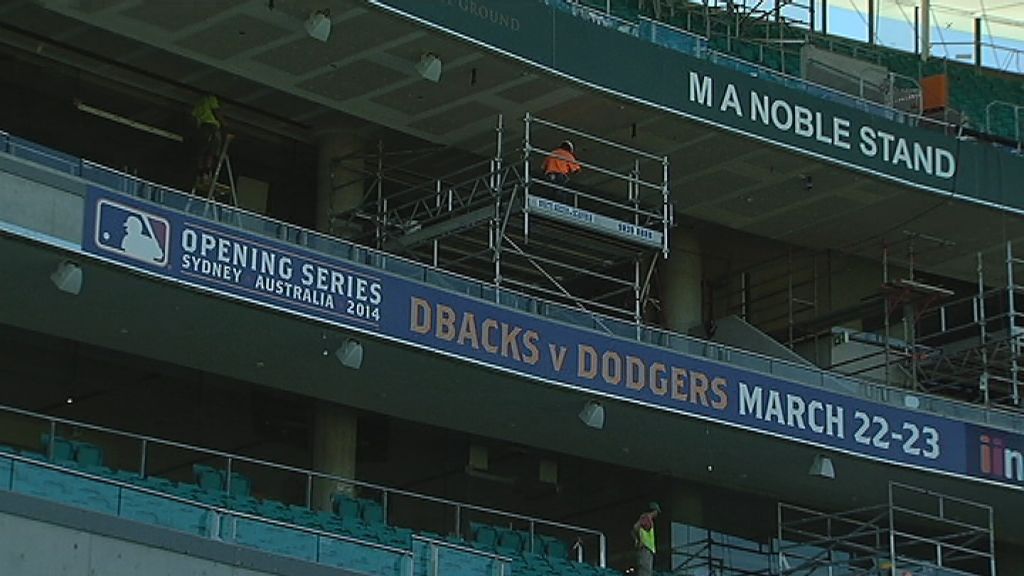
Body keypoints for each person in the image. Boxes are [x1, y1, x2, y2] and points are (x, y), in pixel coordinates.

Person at [192, 93, 226, 188]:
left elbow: (194, 117)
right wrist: (225, 124)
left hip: (202, 127)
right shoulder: (211, 98)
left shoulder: (199, 102)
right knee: (211, 152)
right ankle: (207, 174)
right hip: (211, 127)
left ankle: (200, 175)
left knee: (201, 152)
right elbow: (216, 112)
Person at [632, 502, 660, 576]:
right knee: (645, 572)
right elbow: (635, 528)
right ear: (654, 511)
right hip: (645, 549)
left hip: (648, 550)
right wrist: (637, 541)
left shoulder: (648, 519)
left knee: (647, 572)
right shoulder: (646, 517)